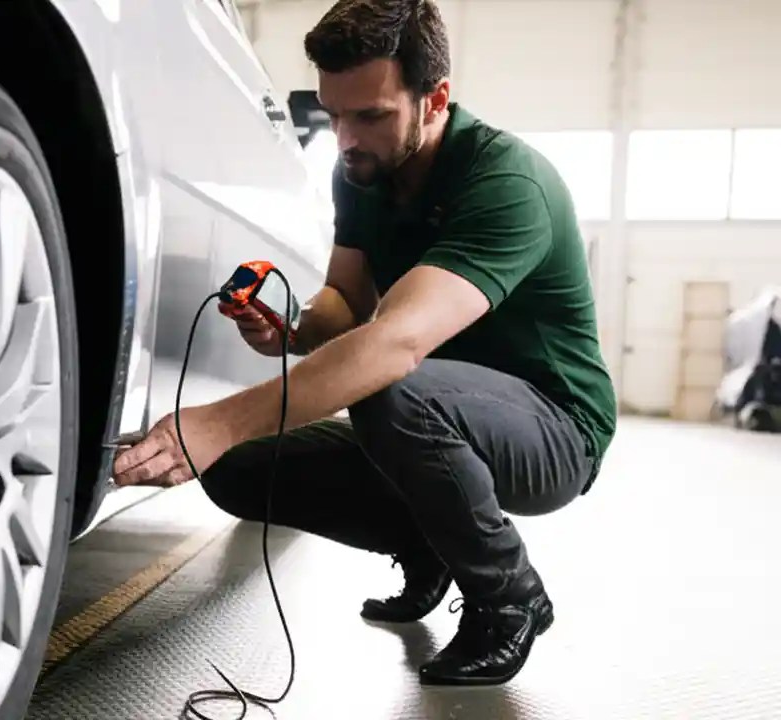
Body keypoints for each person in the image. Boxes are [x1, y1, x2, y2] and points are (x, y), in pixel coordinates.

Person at [111, 0, 617, 687]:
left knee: (384, 387)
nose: (346, 137)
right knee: (236, 467)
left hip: (556, 429)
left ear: (435, 99)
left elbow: (395, 343)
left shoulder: (505, 183)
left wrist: (218, 420)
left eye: (370, 115)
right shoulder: (362, 172)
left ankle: (510, 599)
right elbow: (347, 304)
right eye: (334, 113)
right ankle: (430, 543)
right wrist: (288, 327)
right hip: (438, 408)